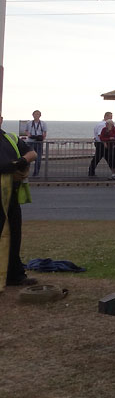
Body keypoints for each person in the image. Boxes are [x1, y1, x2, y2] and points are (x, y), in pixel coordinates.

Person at [1, 115, 38, 288]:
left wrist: (22, 162)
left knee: (14, 235)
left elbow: (32, 153)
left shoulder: (10, 138)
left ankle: (14, 275)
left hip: (11, 196)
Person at [89, 111, 113, 177]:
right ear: (106, 116)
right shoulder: (103, 125)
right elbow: (100, 135)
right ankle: (91, 172)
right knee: (99, 158)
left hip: (100, 143)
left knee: (107, 158)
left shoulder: (101, 124)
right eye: (110, 117)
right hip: (101, 143)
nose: (111, 118)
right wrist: (104, 143)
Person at [27, 110, 46, 178]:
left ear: (40, 115)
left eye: (38, 114)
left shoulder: (43, 123)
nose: (36, 115)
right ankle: (26, 173)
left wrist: (41, 138)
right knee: (28, 157)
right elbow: (26, 131)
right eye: (35, 114)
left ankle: (36, 173)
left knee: (38, 158)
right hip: (30, 142)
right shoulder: (29, 123)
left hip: (39, 142)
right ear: (33, 115)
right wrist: (29, 135)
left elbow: (44, 132)